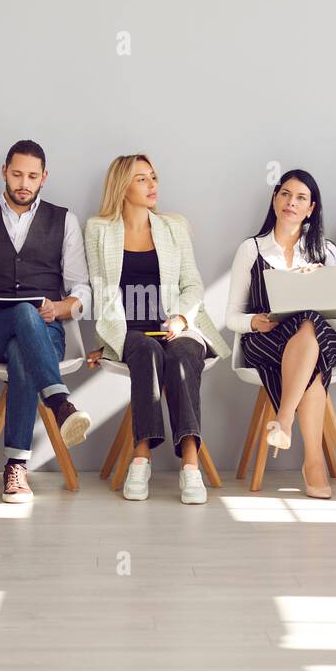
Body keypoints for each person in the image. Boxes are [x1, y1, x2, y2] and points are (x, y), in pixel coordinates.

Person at [0, 140, 92, 504]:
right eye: (17, 174)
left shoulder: (64, 220)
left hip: (46, 333)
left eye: (32, 176)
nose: (23, 183)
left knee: (22, 350)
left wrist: (62, 308)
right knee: (20, 323)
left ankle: (16, 468)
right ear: (4, 172)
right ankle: (60, 402)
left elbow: (81, 288)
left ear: (44, 177)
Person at [84, 154, 229, 504]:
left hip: (176, 326)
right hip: (129, 330)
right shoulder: (98, 229)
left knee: (180, 356)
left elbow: (193, 285)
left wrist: (180, 318)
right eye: (142, 179)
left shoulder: (172, 228)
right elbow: (100, 291)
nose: (152, 185)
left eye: (153, 177)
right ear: (122, 186)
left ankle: (190, 465)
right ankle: (141, 457)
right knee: (146, 352)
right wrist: (110, 342)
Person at [225, 169, 336, 499]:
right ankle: (313, 463)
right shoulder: (251, 250)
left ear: (311, 209)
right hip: (266, 341)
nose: (291, 203)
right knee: (312, 362)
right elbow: (232, 317)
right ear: (274, 199)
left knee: (309, 324)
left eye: (300, 198)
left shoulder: (326, 252)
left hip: (317, 340)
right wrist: (255, 322)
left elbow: (335, 323)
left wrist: (316, 284)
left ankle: (284, 419)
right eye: (285, 194)